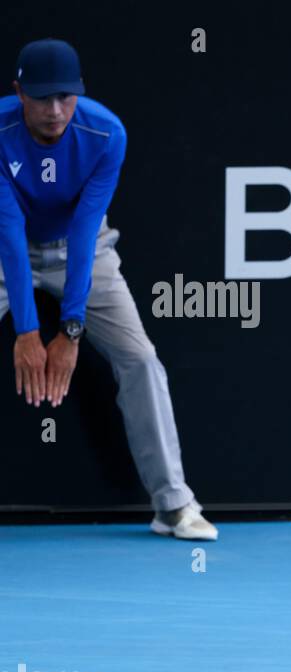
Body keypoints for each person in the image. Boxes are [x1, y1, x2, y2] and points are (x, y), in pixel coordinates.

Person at [1, 38, 216, 540]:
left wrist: (69, 331)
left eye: (65, 97)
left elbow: (83, 230)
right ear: (18, 93)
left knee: (140, 358)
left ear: (80, 93)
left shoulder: (106, 133)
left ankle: (172, 506)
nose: (55, 111)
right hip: (3, 245)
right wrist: (27, 332)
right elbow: (8, 232)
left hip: (83, 247)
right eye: (41, 98)